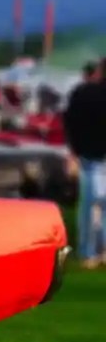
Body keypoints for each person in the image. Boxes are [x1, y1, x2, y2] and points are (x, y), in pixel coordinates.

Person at [62, 59, 106, 268]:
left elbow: (69, 122)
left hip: (89, 157)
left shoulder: (82, 93)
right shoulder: (85, 93)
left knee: (88, 208)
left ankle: (88, 252)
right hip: (96, 156)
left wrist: (74, 151)